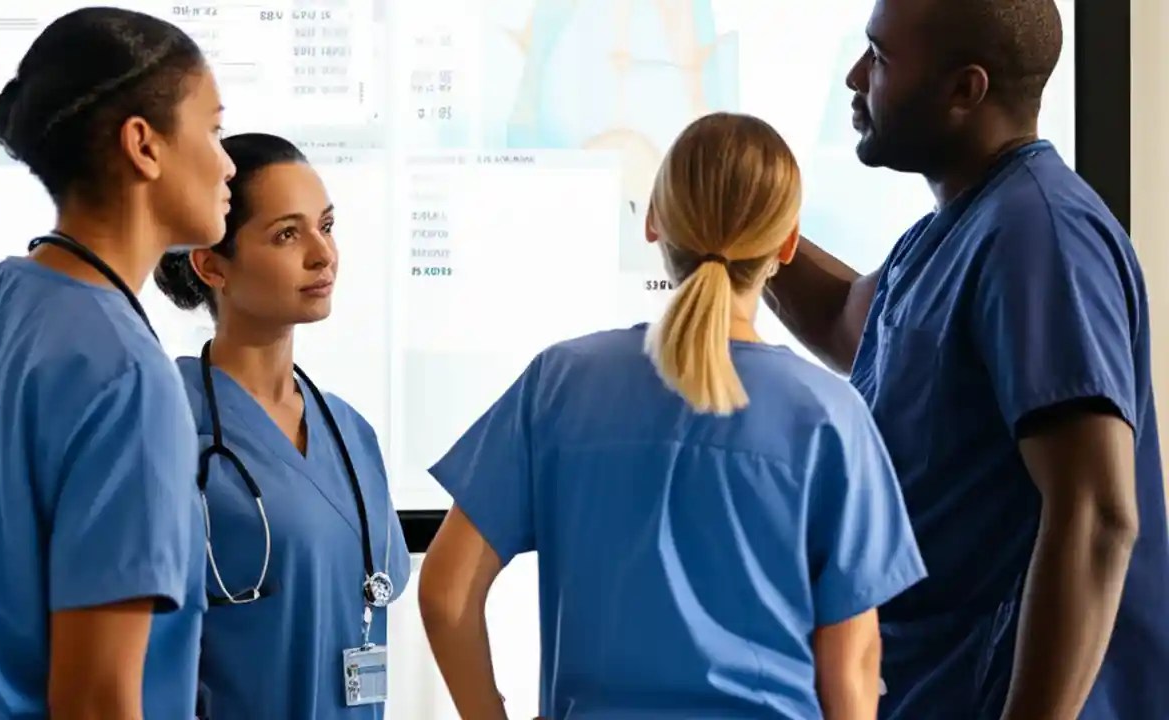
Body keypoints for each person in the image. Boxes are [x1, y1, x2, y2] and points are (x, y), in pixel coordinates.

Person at [418, 112, 927, 720]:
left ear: (654, 222)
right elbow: (849, 663)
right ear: (787, 244)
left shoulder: (559, 383)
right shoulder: (829, 416)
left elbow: (447, 596)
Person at [764, 0, 1169, 718]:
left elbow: (1099, 513)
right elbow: (841, 320)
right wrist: (736, 217)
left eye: (880, 58)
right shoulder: (953, 233)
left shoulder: (1040, 235)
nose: (856, 78)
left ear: (965, 90)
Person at [0, 7, 235, 719]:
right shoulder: (128, 374)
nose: (229, 162)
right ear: (145, 145)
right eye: (214, 129)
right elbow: (98, 698)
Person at [154, 132, 411, 720]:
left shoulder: (349, 431)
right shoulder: (168, 424)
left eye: (327, 225)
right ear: (211, 264)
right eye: (287, 234)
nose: (323, 254)